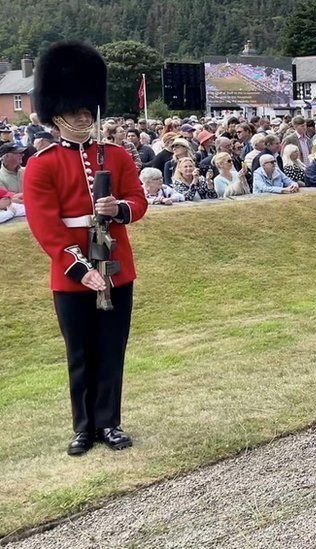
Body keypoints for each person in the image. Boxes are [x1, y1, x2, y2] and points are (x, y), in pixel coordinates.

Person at [23, 42, 149, 456]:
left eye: (86, 108)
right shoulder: (42, 165)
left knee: (112, 350)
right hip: (72, 273)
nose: (82, 116)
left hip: (116, 267)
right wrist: (78, 268)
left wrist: (119, 208)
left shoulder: (115, 155)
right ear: (55, 114)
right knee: (79, 353)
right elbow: (46, 226)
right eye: (73, 110)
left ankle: (109, 422)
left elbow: (139, 200)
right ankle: (83, 427)